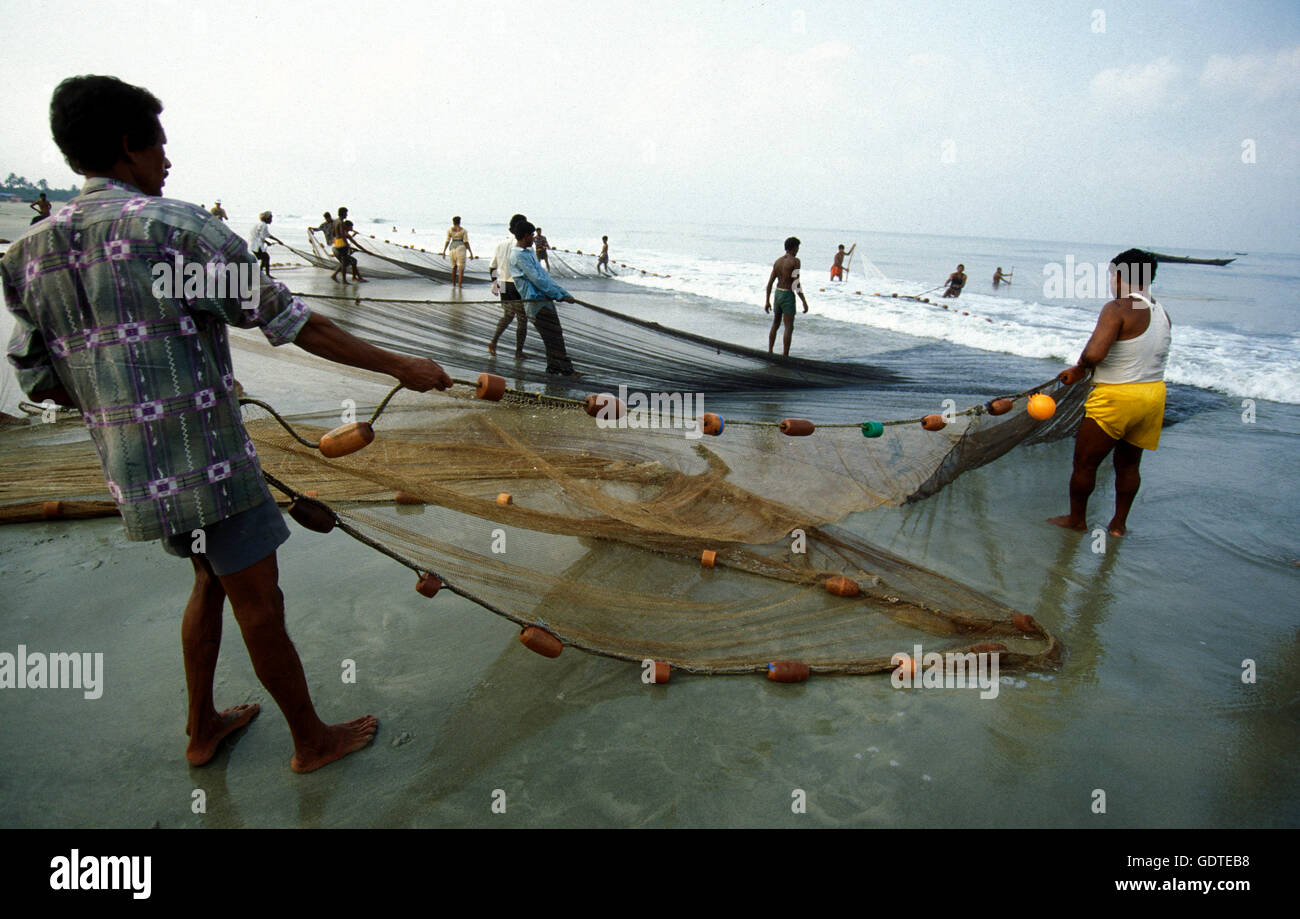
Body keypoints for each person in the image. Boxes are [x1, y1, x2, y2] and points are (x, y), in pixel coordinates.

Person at [2, 75, 453, 773]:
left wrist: (118, 389)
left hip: (135, 471)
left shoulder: (27, 255)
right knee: (258, 597)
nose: (168, 162)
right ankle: (311, 739)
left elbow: (39, 378)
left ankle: (202, 726)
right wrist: (402, 367)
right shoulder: (174, 231)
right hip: (207, 459)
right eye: (160, 145)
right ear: (130, 145)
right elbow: (294, 322)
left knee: (210, 578)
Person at [1048, 249, 1170, 538]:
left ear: (1120, 276)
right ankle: (1118, 526)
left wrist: (1079, 368)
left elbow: (1094, 353)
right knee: (1129, 465)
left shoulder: (1117, 308)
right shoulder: (1162, 312)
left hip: (1117, 396)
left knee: (1085, 463)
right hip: (1153, 396)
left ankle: (1077, 520)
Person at [509, 219, 579, 375]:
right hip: (535, 302)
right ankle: (567, 371)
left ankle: (554, 369)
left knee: (554, 335)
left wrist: (563, 293)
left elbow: (543, 276)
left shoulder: (528, 253)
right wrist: (558, 295)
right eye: (532, 235)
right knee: (553, 337)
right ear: (525, 236)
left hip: (544, 300)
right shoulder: (518, 255)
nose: (534, 238)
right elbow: (537, 279)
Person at [488, 214, 528, 358]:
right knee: (522, 319)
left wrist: (494, 284)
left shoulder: (500, 244)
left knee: (507, 316)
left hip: (503, 283)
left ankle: (493, 342)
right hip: (517, 284)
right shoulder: (522, 245)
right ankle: (518, 351)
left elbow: (492, 266)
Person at [765, 236, 809, 357]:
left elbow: (769, 284)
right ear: (793, 248)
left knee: (775, 323)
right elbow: (796, 283)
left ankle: (770, 351)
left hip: (777, 294)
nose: (798, 250)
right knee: (789, 327)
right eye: (797, 247)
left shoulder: (778, 262)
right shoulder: (795, 261)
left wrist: (767, 301)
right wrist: (804, 301)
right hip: (787, 294)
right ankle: (785, 355)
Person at [248, 211, 283, 278]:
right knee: (266, 257)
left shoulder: (260, 224)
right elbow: (262, 236)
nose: (271, 220)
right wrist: (267, 242)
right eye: (270, 218)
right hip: (256, 245)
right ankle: (265, 275)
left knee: (264, 258)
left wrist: (277, 240)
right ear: (267, 218)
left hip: (252, 244)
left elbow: (267, 235)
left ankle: (261, 274)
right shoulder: (264, 225)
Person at [441, 216, 473, 289]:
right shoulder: (463, 231)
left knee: (454, 267)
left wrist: (444, 251)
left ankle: (453, 285)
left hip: (452, 248)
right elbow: (466, 242)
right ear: (460, 222)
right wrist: (471, 252)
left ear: (453, 222)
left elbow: (447, 241)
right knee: (461, 268)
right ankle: (460, 285)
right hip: (461, 248)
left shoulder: (449, 230)